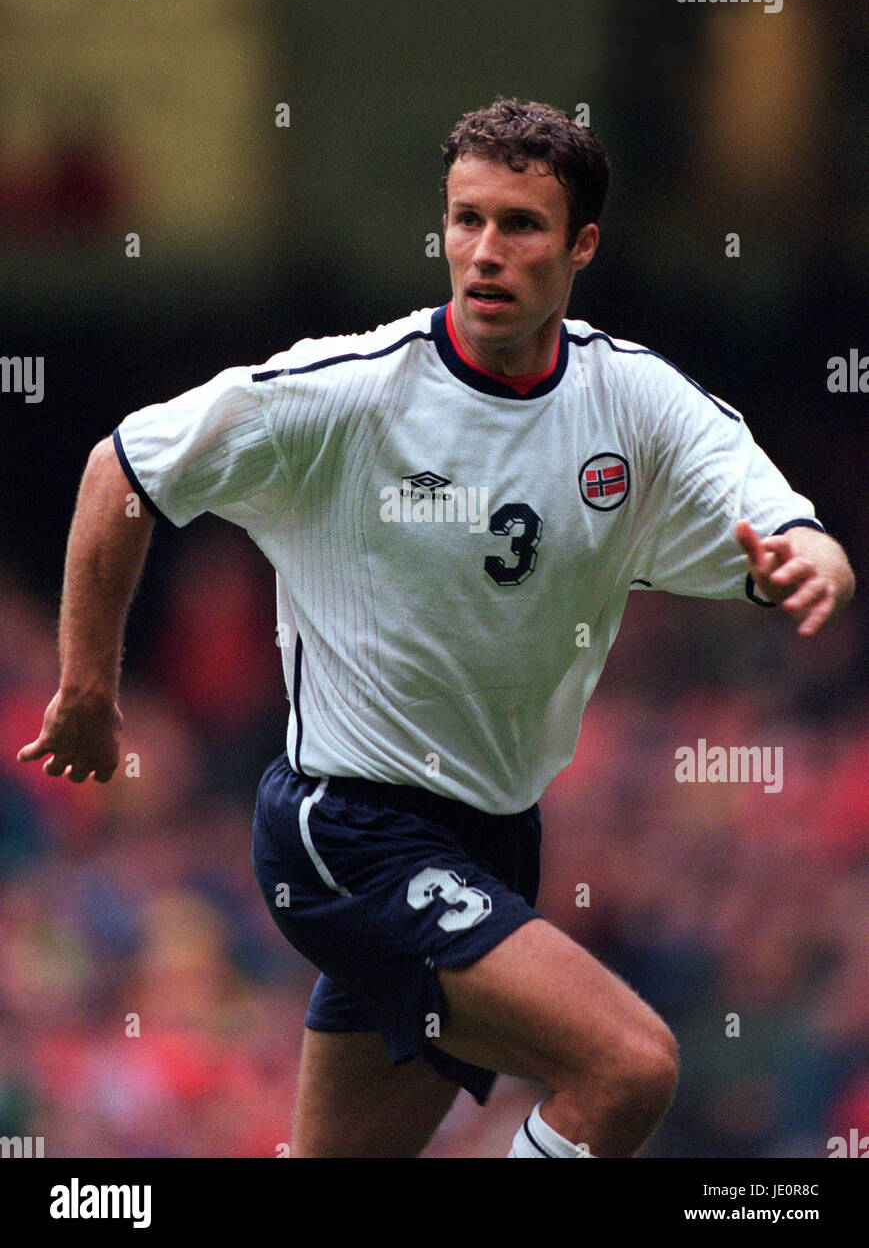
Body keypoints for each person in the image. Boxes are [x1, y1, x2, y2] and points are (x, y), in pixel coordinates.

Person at [19, 98, 855, 1159]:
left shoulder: (634, 403)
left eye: (520, 224)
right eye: (466, 220)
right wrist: (88, 691)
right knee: (627, 1063)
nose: (485, 251)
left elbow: (781, 522)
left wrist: (811, 557)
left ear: (581, 244)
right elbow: (123, 470)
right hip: (347, 831)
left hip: (494, 841)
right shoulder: (347, 394)